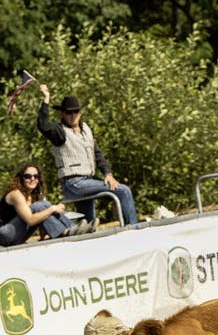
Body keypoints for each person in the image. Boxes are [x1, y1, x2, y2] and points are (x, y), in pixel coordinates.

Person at [36, 85, 139, 227]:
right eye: (69, 112)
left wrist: (108, 174)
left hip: (87, 180)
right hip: (74, 183)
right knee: (123, 190)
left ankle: (83, 234)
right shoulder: (59, 132)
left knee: (88, 223)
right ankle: (133, 228)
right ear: (62, 114)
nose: (73, 115)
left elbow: (97, 155)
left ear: (80, 112)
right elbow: (43, 125)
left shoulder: (86, 130)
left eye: (76, 111)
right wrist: (46, 98)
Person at [0, 162, 89, 246]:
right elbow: (30, 220)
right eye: (28, 176)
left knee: (43, 206)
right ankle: (69, 230)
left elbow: (43, 216)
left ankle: (74, 229)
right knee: (40, 206)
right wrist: (53, 208)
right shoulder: (16, 194)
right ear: (21, 178)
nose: (32, 179)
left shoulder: (35, 195)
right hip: (5, 235)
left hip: (20, 236)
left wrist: (56, 209)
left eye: (36, 176)